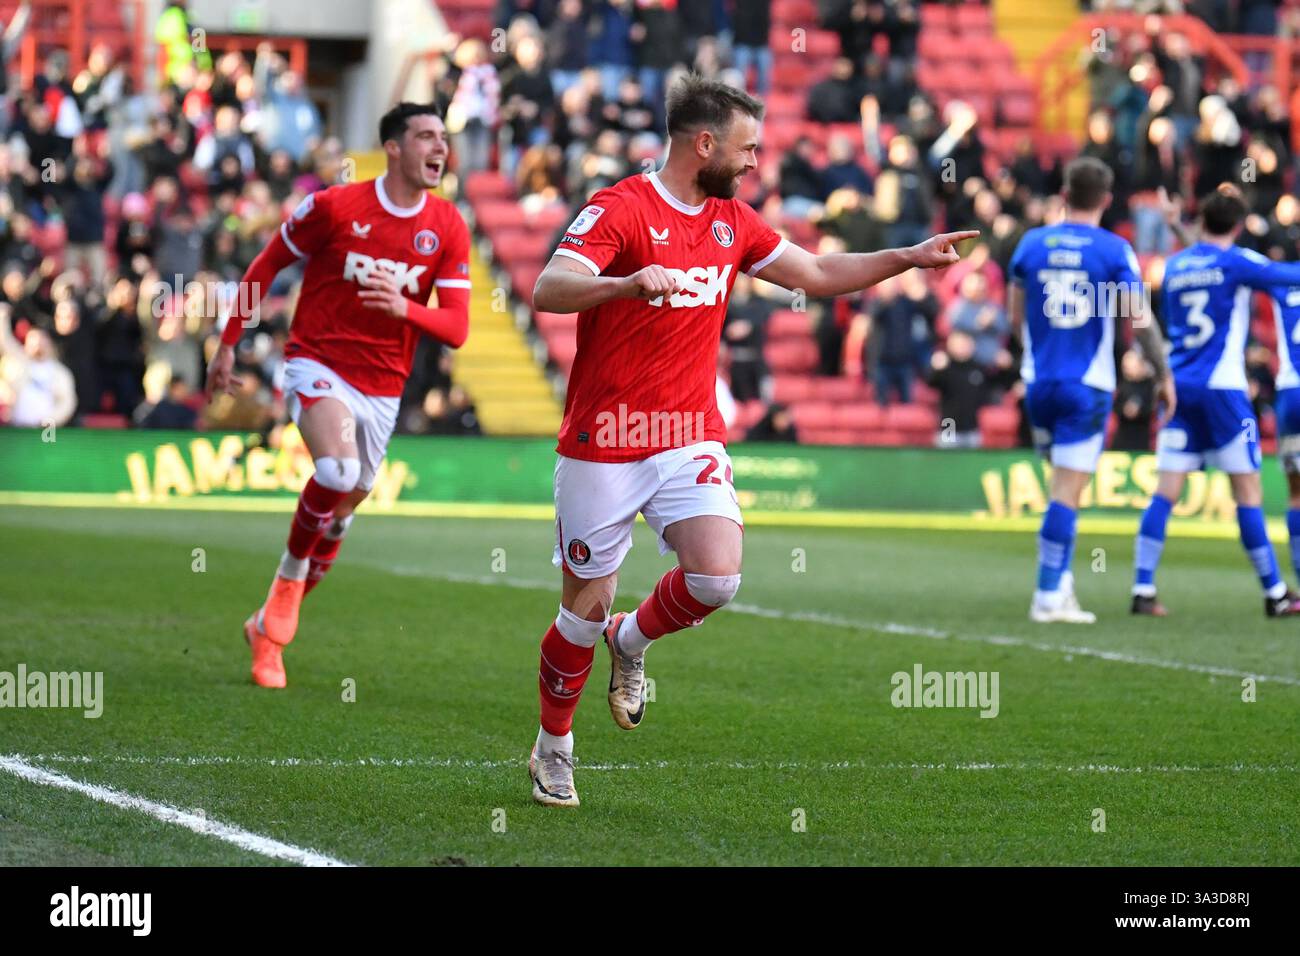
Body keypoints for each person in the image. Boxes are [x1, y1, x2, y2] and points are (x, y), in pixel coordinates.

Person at [526, 72, 976, 807]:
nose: (755, 163)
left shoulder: (734, 221)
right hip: (603, 439)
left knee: (717, 576)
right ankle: (554, 747)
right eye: (746, 149)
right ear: (703, 144)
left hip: (686, 433)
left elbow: (820, 271)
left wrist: (907, 256)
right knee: (580, 608)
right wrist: (627, 283)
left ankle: (631, 640)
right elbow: (550, 287)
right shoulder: (620, 209)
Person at [204, 102, 472, 688]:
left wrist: (403, 307)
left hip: (384, 385)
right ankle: (286, 585)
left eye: (443, 138)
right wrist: (228, 344)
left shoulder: (448, 225)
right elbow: (265, 264)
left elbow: (456, 327)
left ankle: (264, 633)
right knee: (336, 466)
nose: (439, 148)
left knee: (344, 510)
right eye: (426, 136)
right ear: (393, 148)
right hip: (316, 362)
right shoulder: (334, 207)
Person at [1008, 156, 1175, 624]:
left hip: (1039, 383)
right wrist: (1163, 373)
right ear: (1105, 199)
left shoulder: (1031, 243)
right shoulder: (1113, 250)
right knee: (1067, 490)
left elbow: (1015, 318)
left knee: (1060, 485)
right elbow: (1138, 322)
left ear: (1062, 194)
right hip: (1088, 385)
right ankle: (1046, 595)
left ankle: (1060, 583)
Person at [1131, 185, 1300, 618]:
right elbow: (1287, 275)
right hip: (1223, 390)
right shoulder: (1239, 262)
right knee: (1247, 491)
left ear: (1201, 221)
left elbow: (1205, 259)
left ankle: (1143, 587)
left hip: (1178, 384)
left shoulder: (1176, 265)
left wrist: (1174, 225)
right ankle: (1275, 592)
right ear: (1240, 226)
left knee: (1166, 491)